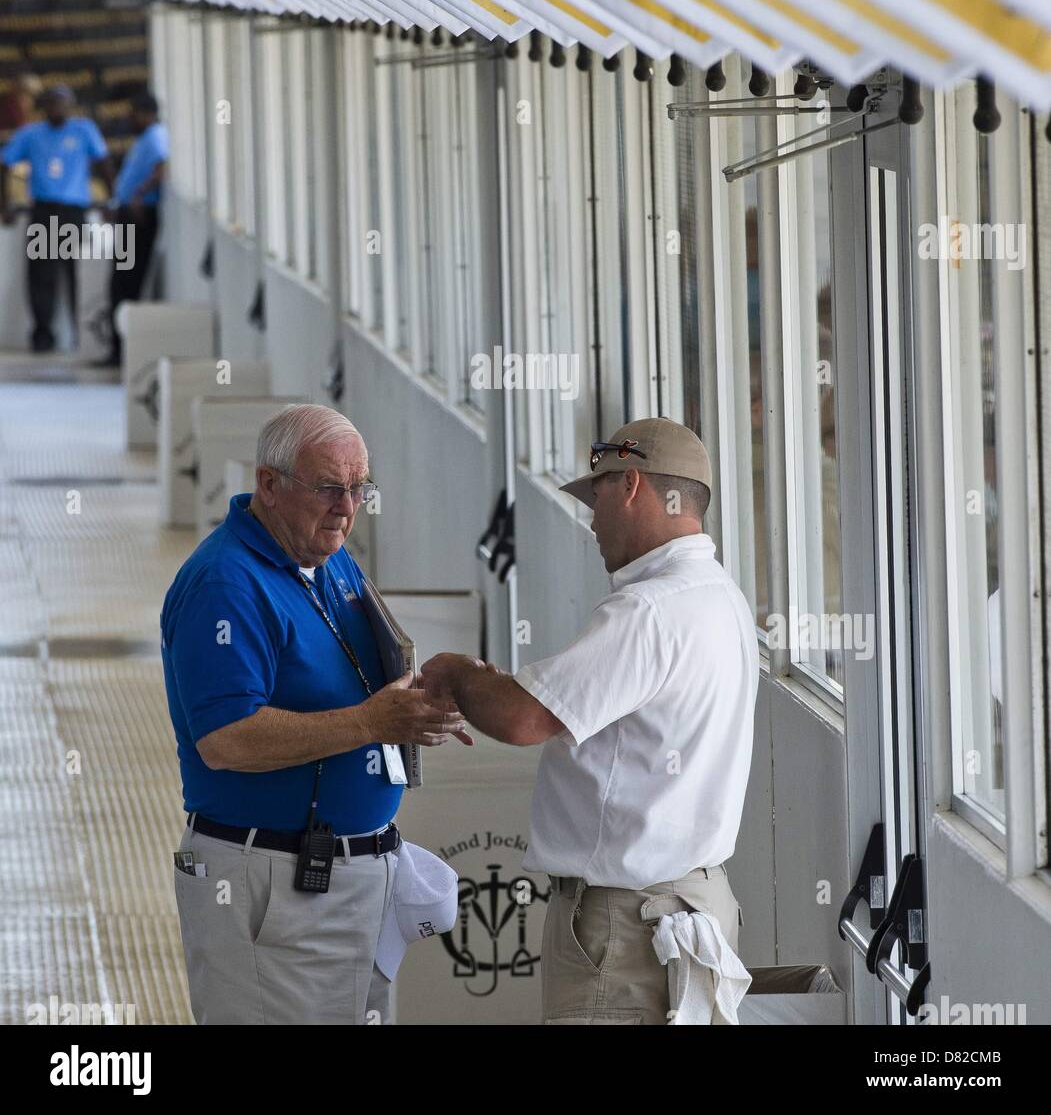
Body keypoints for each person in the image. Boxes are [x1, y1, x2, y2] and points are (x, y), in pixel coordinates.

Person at [421, 417, 760, 1025]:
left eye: (597, 496)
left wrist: (458, 673)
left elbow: (523, 718)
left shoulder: (647, 612)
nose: (592, 519)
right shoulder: (720, 598)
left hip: (625, 930)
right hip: (697, 900)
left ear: (630, 485)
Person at [160, 404, 470, 1025]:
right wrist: (371, 723)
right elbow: (224, 739)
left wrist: (415, 704)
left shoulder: (329, 560)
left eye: (360, 488)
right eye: (329, 487)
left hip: (355, 884)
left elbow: (366, 671)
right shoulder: (227, 585)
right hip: (270, 887)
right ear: (269, 485)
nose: (348, 506)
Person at [0, 85, 113, 352]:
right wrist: (4, 205)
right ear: (44, 107)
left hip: (74, 211)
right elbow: (4, 165)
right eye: (51, 103)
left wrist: (112, 199)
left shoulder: (83, 130)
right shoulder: (31, 134)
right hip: (44, 211)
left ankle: (84, 336)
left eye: (61, 103)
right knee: (41, 275)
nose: (56, 109)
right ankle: (42, 336)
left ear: (71, 105)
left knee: (79, 275)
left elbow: (105, 162)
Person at [97, 91, 169, 366]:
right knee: (119, 282)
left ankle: (123, 352)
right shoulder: (144, 139)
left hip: (138, 219)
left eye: (134, 113)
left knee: (126, 283)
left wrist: (138, 194)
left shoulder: (156, 136)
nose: (130, 119)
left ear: (146, 113)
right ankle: (117, 350)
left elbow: (161, 167)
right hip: (127, 216)